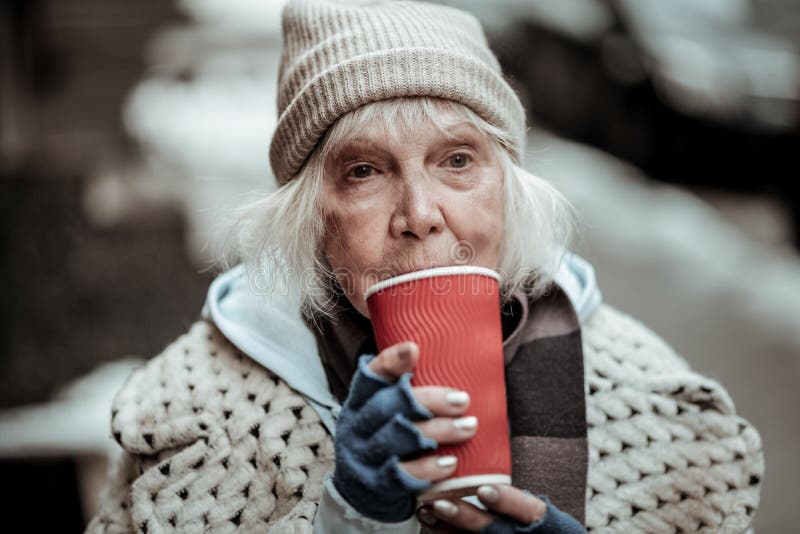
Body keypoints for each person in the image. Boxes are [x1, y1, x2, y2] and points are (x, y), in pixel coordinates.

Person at [85, 0, 764, 532]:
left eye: (458, 161)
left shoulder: (652, 396)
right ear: (309, 217)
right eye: (364, 170)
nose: (419, 212)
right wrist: (352, 514)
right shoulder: (199, 407)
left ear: (509, 190)